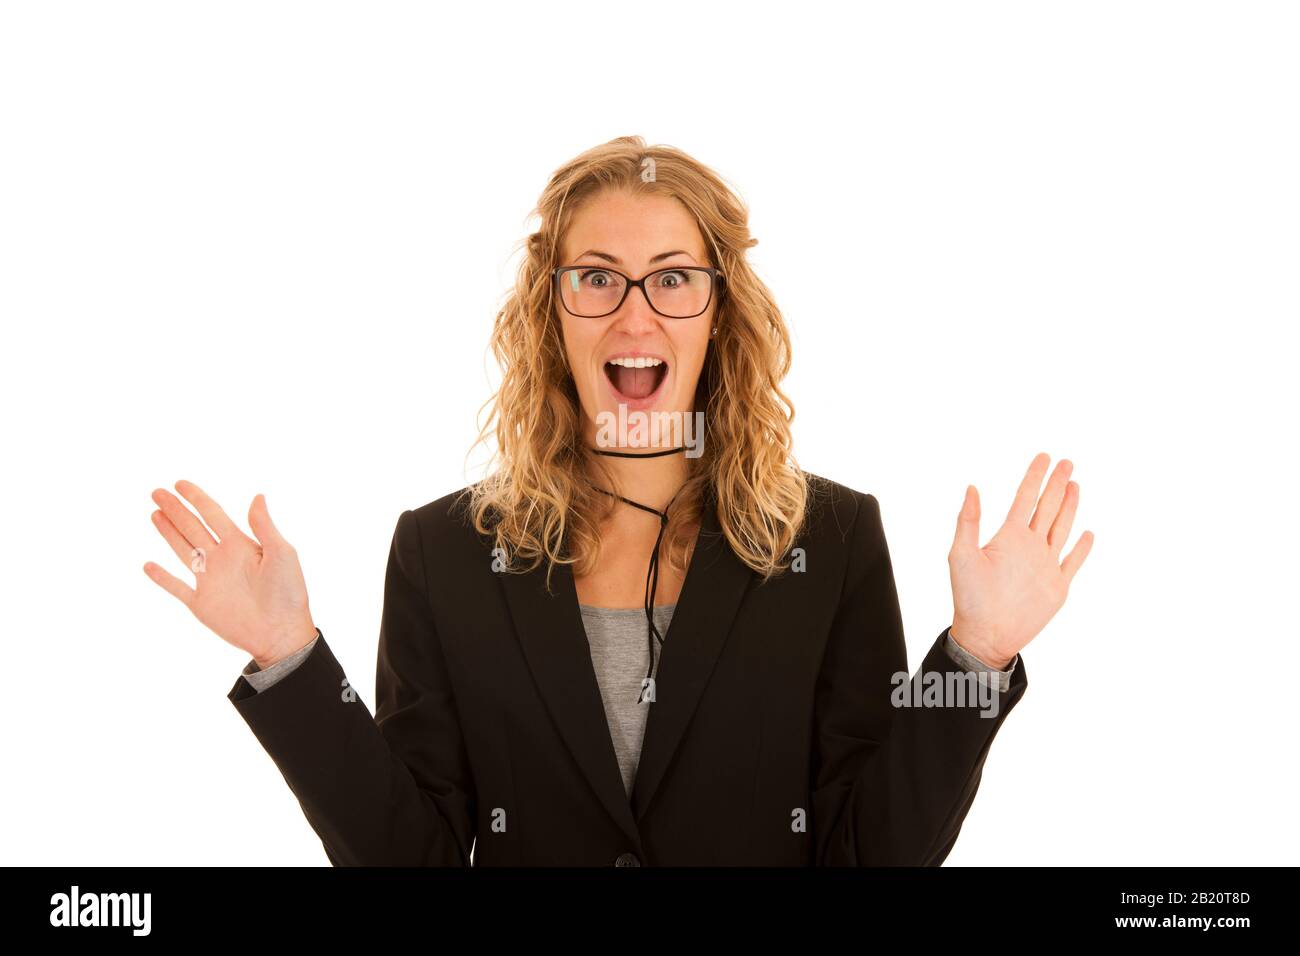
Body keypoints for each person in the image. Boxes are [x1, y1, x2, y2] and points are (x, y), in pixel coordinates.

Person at [143, 135, 1093, 866]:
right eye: (597, 278)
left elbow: (871, 854)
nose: (635, 314)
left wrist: (977, 656)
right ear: (550, 311)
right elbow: (411, 858)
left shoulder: (832, 539)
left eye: (673, 280)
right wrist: (290, 659)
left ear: (720, 314)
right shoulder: (443, 552)